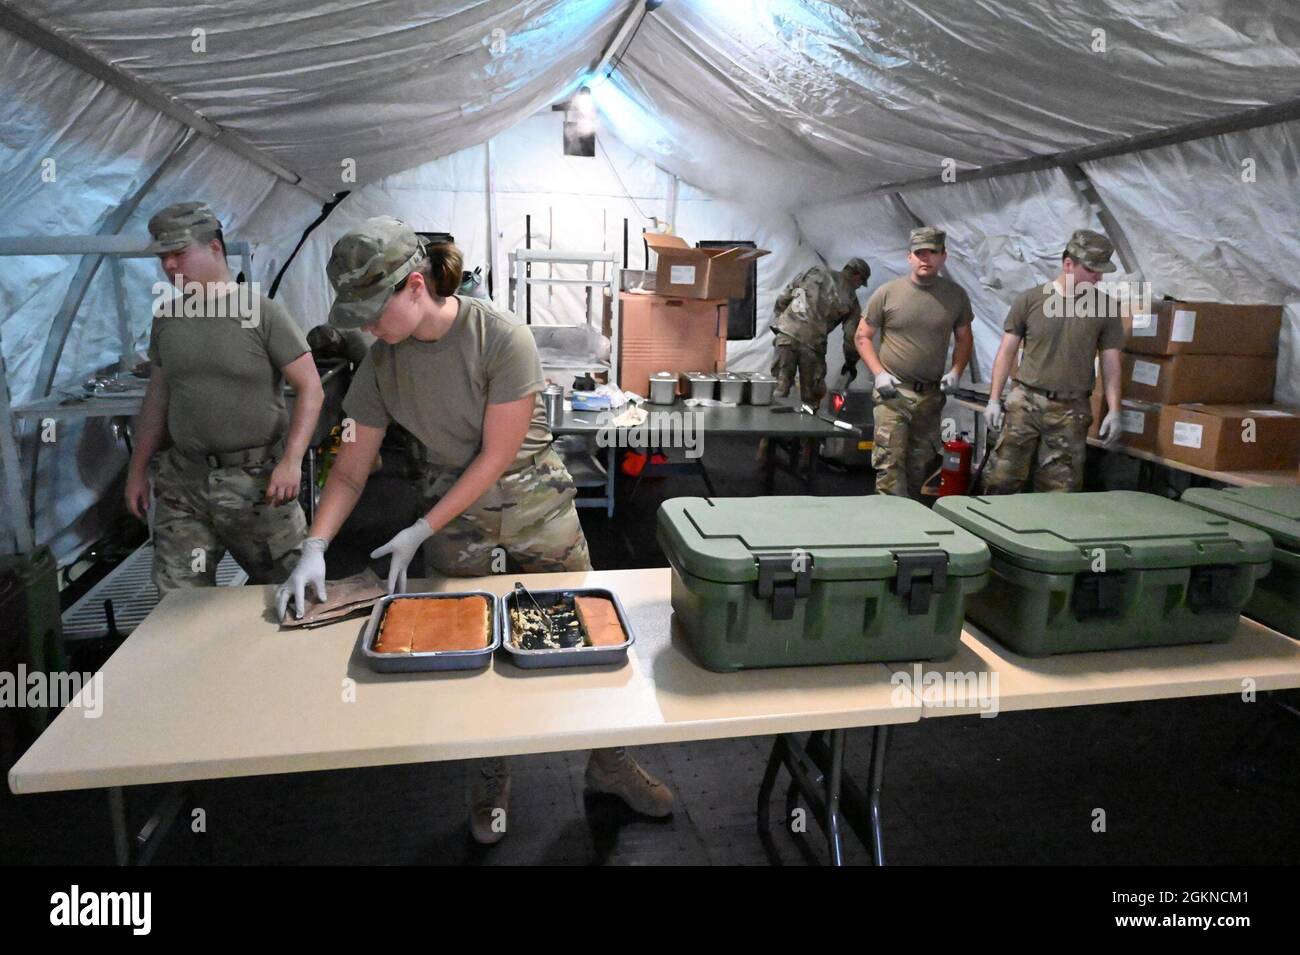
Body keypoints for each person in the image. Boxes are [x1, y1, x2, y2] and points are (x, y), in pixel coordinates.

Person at [275, 216, 674, 844]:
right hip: (452, 517)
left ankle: (610, 762)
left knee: (587, 642)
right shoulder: (381, 365)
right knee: (464, 653)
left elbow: (495, 456)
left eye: (373, 312)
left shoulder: (500, 337)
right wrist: (315, 545)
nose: (367, 328)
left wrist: (418, 528)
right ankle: (489, 776)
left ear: (415, 286)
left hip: (534, 506)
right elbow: (349, 470)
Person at [124, 201, 322, 592]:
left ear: (214, 248)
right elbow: (157, 399)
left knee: (292, 590)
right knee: (177, 600)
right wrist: (137, 470)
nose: (169, 266)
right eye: (163, 257)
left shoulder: (261, 312)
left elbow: (310, 387)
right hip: (185, 482)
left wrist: (292, 461)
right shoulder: (167, 319)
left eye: (179, 253)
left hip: (257, 483)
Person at [981, 229, 1124, 493]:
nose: (1098, 277)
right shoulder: (1031, 300)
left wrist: (1114, 410)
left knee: (1059, 490)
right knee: (1001, 479)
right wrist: (994, 399)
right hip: (1026, 402)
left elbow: (1111, 363)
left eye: (1102, 271)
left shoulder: (1105, 307)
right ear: (1068, 264)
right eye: (1092, 270)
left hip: (1071, 409)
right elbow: (1006, 352)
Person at [854, 227, 974, 497]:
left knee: (918, 468)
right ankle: (889, 521)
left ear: (943, 256)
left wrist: (956, 371)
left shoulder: (955, 296)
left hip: (929, 397)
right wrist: (879, 373)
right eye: (920, 253)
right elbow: (862, 336)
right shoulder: (888, 293)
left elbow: (965, 338)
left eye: (932, 252)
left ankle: (912, 519)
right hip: (894, 395)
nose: (925, 259)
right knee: (890, 467)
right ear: (909, 257)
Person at [770, 258, 870, 409]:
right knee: (811, 397)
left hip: (786, 336)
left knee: (779, 389)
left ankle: (771, 422)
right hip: (813, 346)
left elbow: (784, 297)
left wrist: (783, 324)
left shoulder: (814, 272)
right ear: (857, 276)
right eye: (861, 283)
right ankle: (808, 424)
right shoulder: (851, 299)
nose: (858, 287)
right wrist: (851, 363)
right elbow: (851, 337)